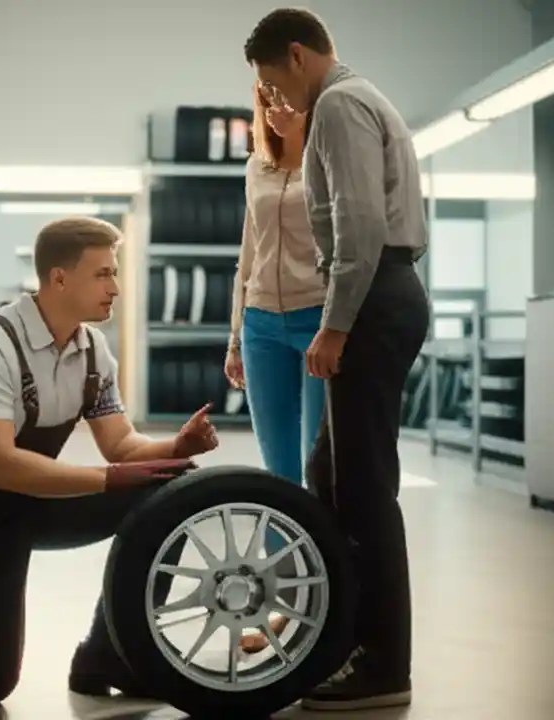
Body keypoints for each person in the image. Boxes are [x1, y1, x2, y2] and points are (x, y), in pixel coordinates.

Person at [0, 216, 220, 707]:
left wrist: (176, 450)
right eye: (103, 274)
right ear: (59, 278)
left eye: (114, 273)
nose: (116, 288)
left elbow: (120, 447)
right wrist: (108, 479)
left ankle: (109, 655)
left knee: (176, 490)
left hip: (37, 502)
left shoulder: (93, 351)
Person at [243, 7, 430, 713]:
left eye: (274, 81)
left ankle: (384, 665)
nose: (278, 100)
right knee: (330, 473)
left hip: (371, 297)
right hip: (386, 290)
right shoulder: (359, 99)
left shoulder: (341, 106)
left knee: (363, 489)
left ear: (297, 55)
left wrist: (335, 326)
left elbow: (359, 227)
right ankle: (345, 635)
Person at [224, 81, 329, 655]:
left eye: (285, 98)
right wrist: (236, 335)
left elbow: (339, 231)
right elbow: (249, 250)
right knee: (278, 474)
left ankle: (315, 597)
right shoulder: (255, 169)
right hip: (262, 321)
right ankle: (275, 603)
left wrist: (304, 142)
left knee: (318, 469)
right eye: (265, 99)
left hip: (317, 319)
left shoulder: (326, 164)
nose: (275, 108)